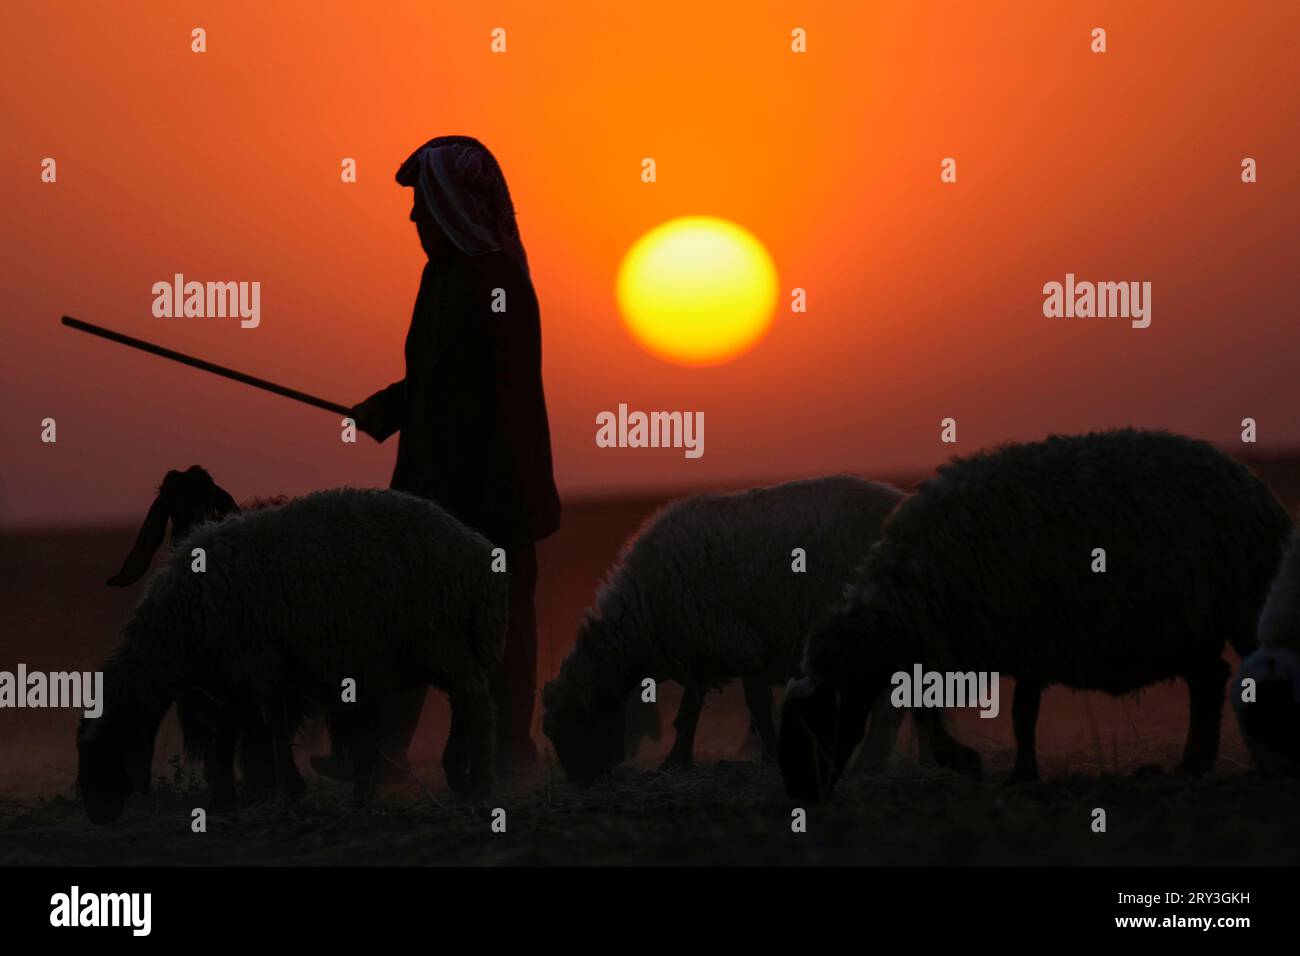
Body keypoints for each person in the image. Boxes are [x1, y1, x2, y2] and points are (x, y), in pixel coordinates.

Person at [349, 135, 561, 778]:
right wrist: (394, 407)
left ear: (448, 206)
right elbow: (443, 378)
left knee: (496, 624)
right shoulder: (448, 278)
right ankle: (382, 752)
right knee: (412, 613)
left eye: (422, 202)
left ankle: (500, 755)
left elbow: (473, 390)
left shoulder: (494, 284)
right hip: (443, 486)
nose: (414, 217)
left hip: (489, 492)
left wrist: (395, 409)